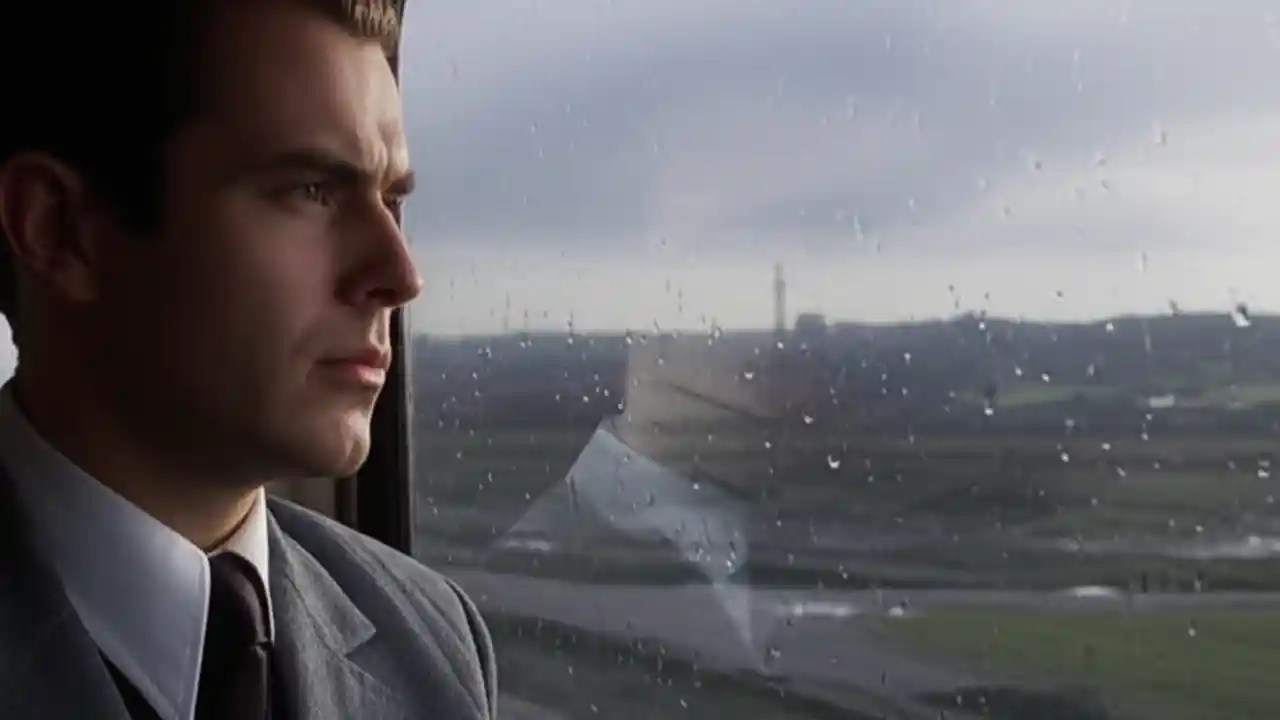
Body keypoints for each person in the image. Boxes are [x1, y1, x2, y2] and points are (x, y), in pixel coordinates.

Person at [0, 2, 496, 718]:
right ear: (61, 230)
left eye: (390, 199)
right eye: (313, 191)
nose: (400, 272)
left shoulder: (432, 640)